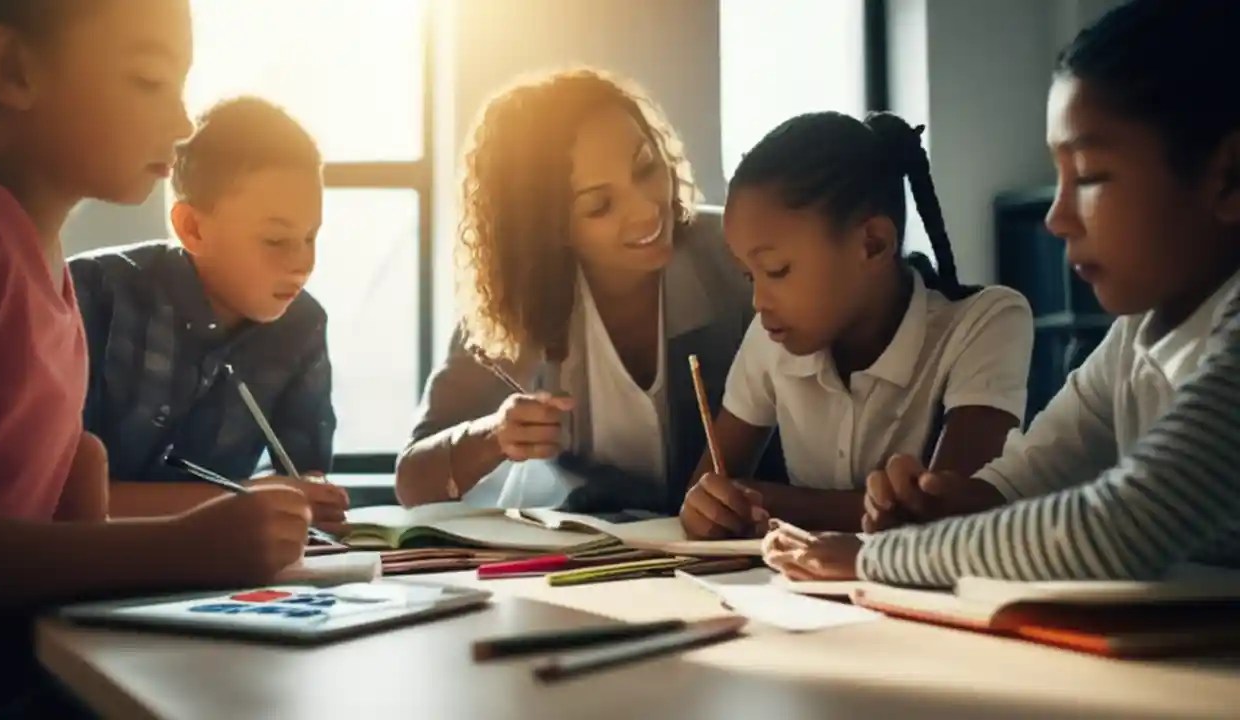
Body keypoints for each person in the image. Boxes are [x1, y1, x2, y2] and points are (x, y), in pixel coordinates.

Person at [764, 0, 1240, 586]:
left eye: (1088, 176)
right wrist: (932, 513)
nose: (1057, 218)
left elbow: (1119, 529)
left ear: (1229, 179)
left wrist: (872, 558)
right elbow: (1015, 487)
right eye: (1057, 177)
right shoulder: (1136, 338)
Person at [0, 2, 310, 713]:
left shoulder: (43, 263)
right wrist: (178, 547)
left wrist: (80, 507)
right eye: (150, 80)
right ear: (14, 70)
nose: (182, 124)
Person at [396, 68, 758, 513]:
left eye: (645, 168)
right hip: (593, 567)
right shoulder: (519, 300)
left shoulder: (738, 255)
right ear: (547, 223)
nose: (646, 210)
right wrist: (494, 435)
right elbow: (412, 483)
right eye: (599, 205)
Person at [678, 111, 1032, 538]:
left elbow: (946, 519)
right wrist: (707, 507)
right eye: (749, 277)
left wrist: (768, 500)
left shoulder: (986, 322)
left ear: (873, 243)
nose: (758, 302)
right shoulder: (772, 339)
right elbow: (711, 492)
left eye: (776, 270)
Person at [70, 97, 347, 525]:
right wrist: (244, 501)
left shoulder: (302, 325)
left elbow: (303, 477)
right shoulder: (91, 296)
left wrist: (311, 496)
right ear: (193, 228)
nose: (302, 263)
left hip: (223, 573)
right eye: (275, 240)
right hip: (75, 572)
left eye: (311, 237)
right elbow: (57, 502)